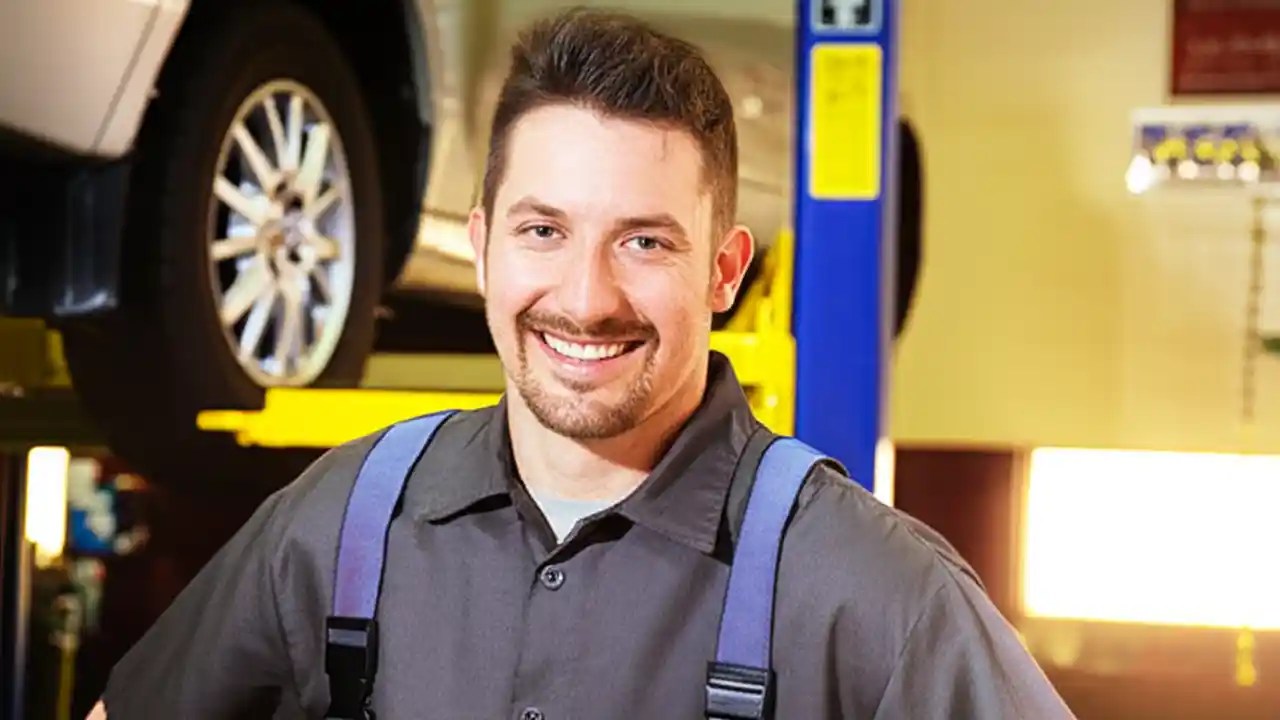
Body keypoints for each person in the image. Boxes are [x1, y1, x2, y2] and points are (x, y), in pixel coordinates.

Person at [90, 8, 1075, 719]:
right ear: (480, 248)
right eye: (543, 230)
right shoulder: (346, 521)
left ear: (724, 271)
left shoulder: (870, 593)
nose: (584, 296)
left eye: (643, 242)